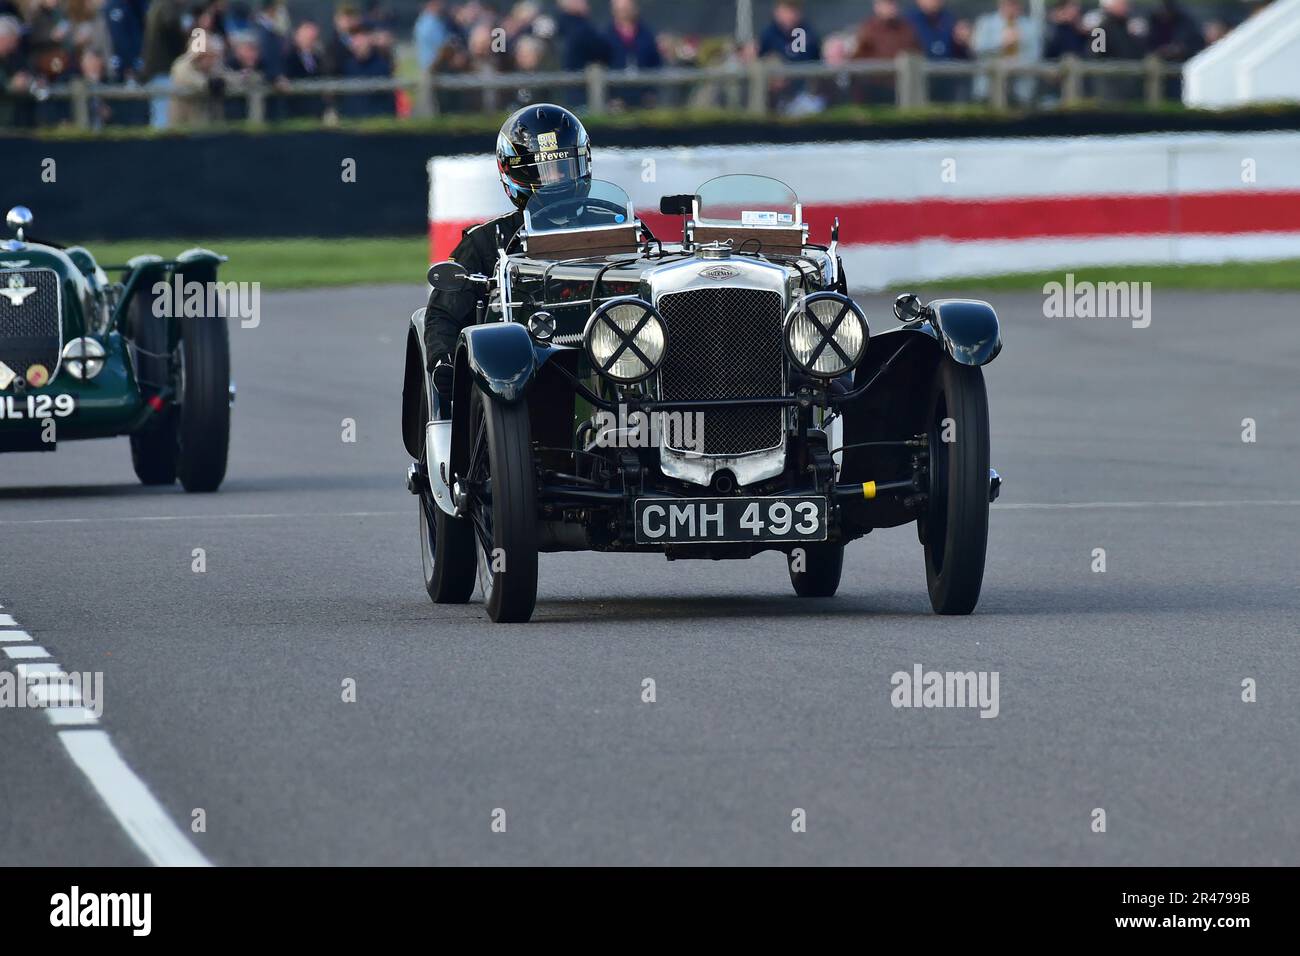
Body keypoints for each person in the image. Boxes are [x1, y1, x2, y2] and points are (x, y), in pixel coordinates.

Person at [423, 103, 592, 381]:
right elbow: (445, 313)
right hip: (525, 371)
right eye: (544, 171)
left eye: (564, 167)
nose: (558, 179)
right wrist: (443, 359)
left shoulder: (618, 225)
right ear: (514, 174)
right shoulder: (486, 242)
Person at [853, 0, 920, 104]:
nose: (891, 7)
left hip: (901, 88)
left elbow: (916, 53)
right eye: (887, 3)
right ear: (877, 6)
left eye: (893, 3)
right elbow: (857, 60)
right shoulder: (868, 29)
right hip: (875, 88)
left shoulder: (906, 29)